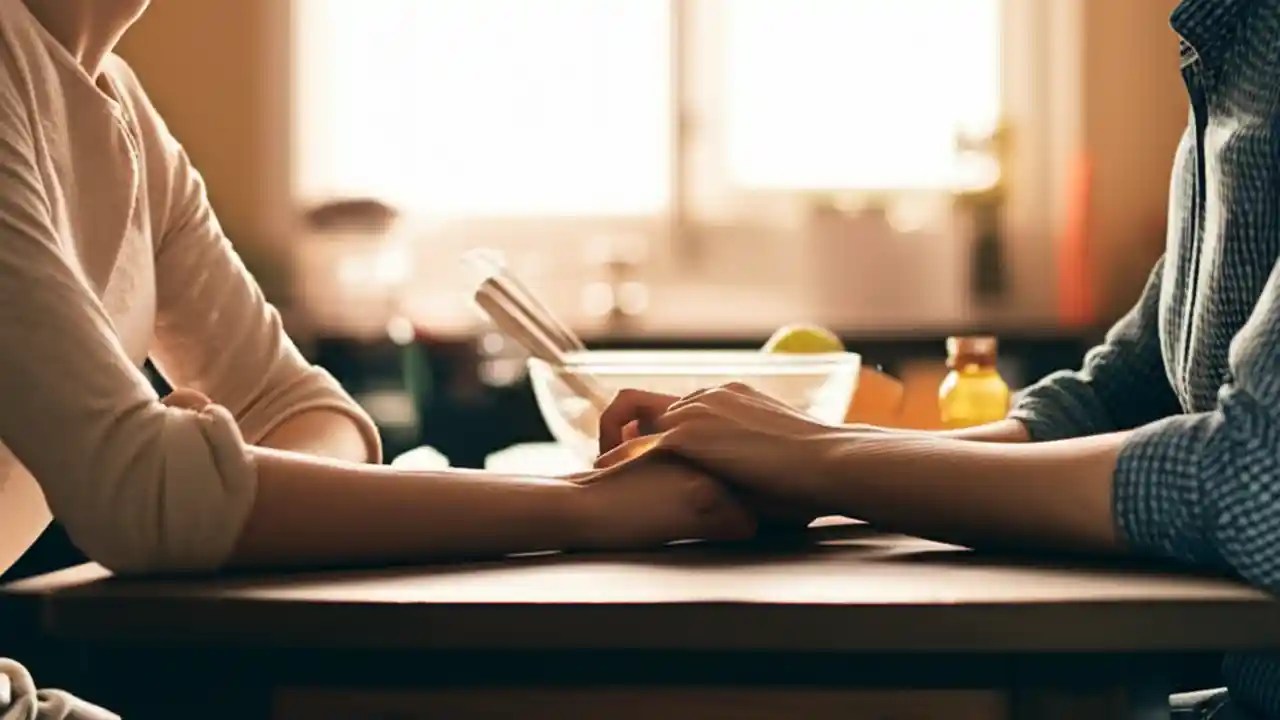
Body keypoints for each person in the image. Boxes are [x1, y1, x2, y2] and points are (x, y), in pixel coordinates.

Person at [598, 1, 1280, 718]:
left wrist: (820, 457)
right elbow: (1125, 392)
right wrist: (821, 475)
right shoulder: (1235, 38)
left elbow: (1255, 474)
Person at [0, 0, 756, 581]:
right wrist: (586, 509)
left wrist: (212, 473)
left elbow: (306, 413)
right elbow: (139, 498)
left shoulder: (117, 105)